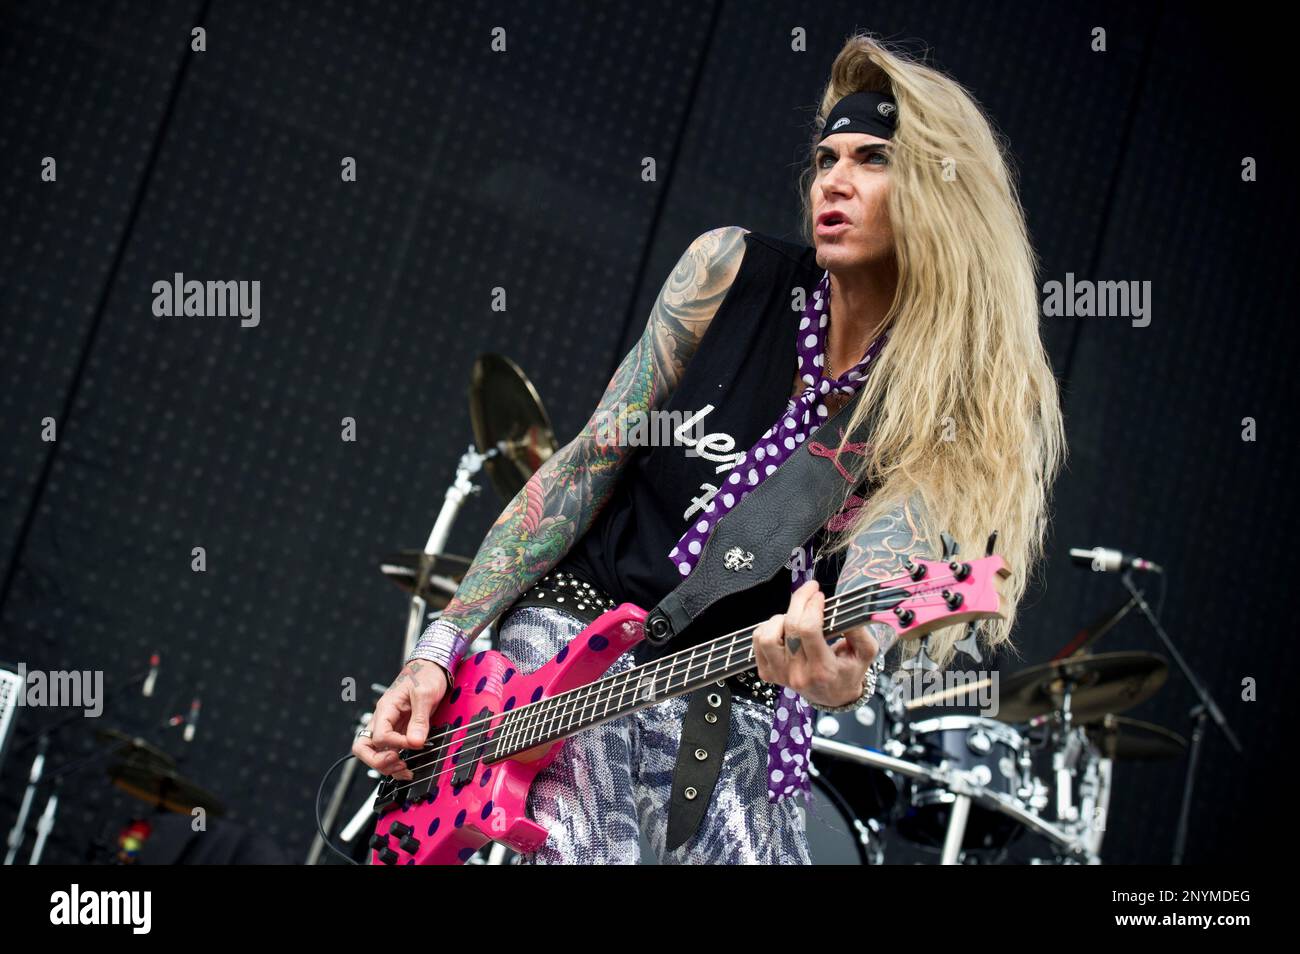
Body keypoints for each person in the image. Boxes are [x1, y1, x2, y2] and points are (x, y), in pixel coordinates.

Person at [352, 32, 1064, 864]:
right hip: (567, 650)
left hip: (733, 703)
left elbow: (880, 572)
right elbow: (585, 465)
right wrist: (438, 653)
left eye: (874, 159)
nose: (833, 180)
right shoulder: (728, 271)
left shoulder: (940, 400)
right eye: (825, 156)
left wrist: (845, 672)